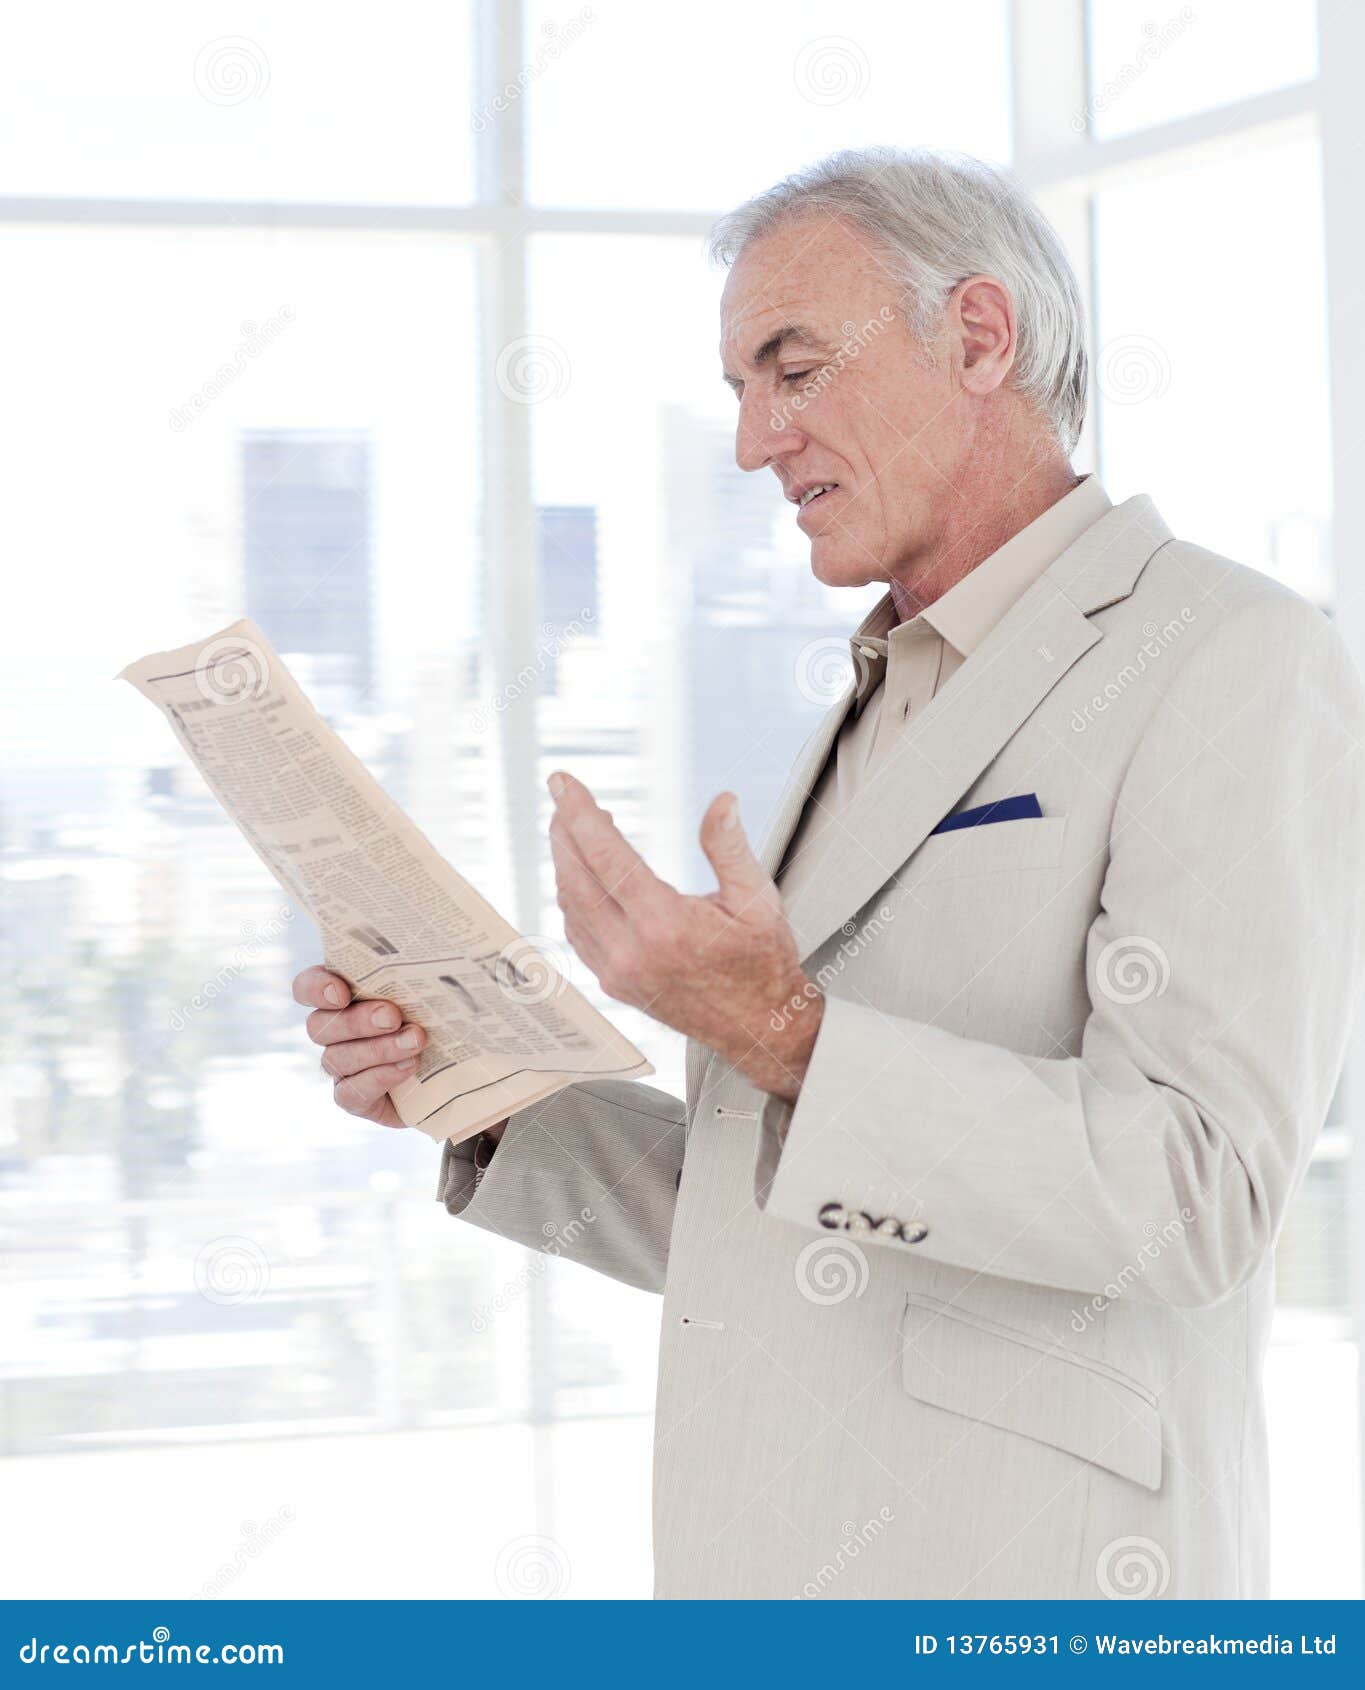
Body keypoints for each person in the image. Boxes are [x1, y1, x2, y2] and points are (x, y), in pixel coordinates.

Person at [293, 147, 1365, 1599]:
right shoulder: (878, 689)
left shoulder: (1232, 656)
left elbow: (1199, 1193)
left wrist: (788, 1033)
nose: (749, 439)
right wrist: (477, 1085)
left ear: (978, 336)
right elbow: (778, 1199)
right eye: (737, 387)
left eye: (788, 370)